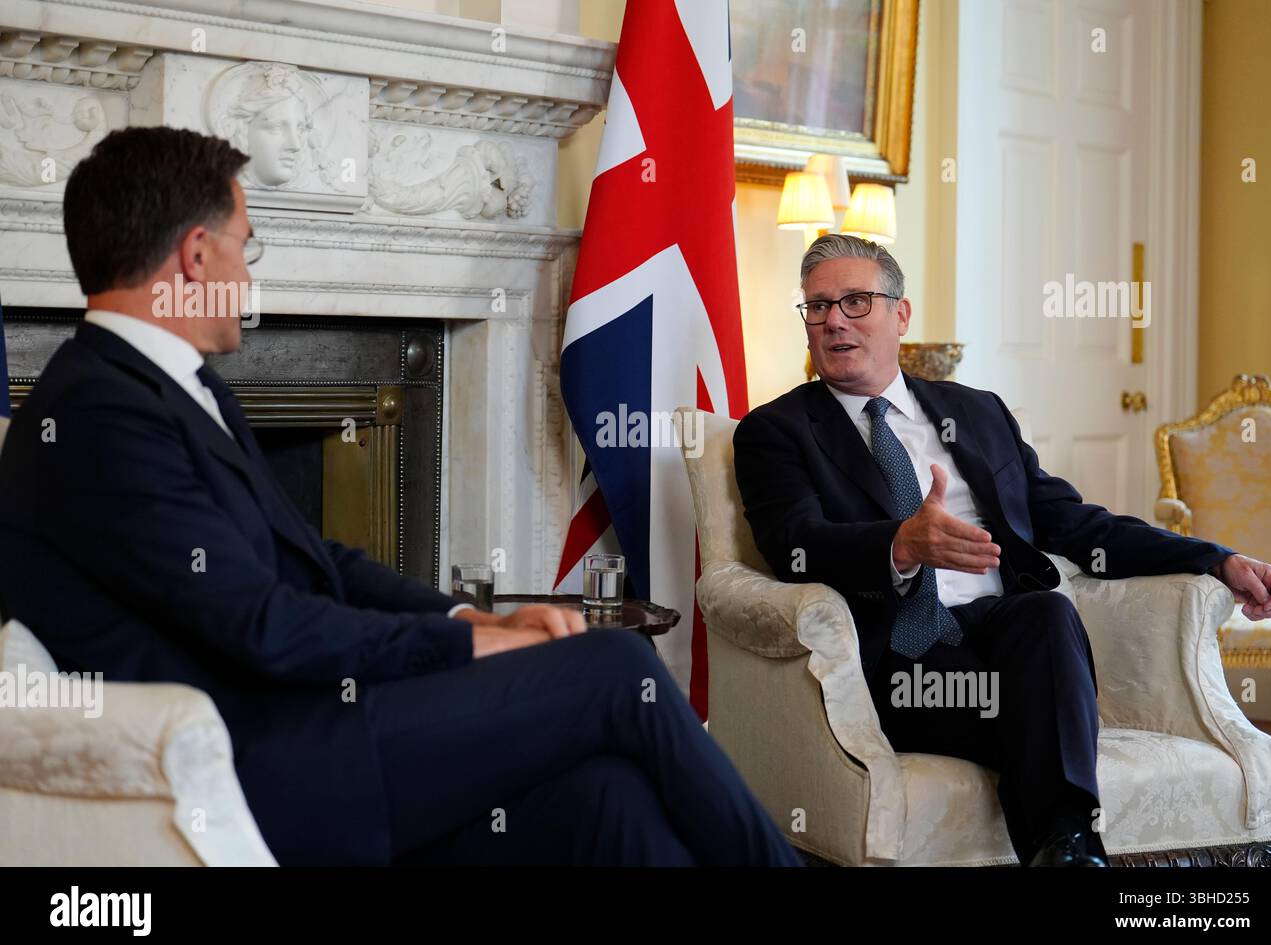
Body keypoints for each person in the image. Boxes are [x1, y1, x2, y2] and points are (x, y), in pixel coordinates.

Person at [0, 126, 800, 867]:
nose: (250, 275)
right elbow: (263, 628)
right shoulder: (96, 417)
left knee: (607, 799)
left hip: (314, 727)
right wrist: (469, 650)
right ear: (196, 257)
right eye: (247, 247)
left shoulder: (169, 387)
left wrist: (473, 618)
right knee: (618, 665)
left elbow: (322, 565)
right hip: (271, 762)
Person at [732, 233, 1271, 866]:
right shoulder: (775, 432)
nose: (834, 320)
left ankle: (1067, 849)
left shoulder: (978, 412)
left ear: (902, 314)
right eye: (818, 306)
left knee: (1046, 612)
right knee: (1042, 706)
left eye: (856, 301)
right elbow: (794, 546)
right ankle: (1068, 843)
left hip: (1011, 640)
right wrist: (901, 544)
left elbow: (1074, 523)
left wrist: (1213, 559)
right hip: (902, 658)